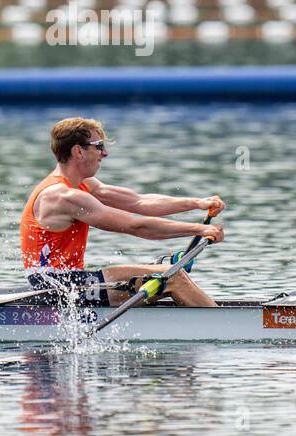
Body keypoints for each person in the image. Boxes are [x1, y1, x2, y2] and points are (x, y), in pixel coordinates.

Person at [20, 117, 224, 306]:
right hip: (55, 285)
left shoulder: (84, 185)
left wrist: (196, 203)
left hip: (68, 280)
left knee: (163, 273)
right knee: (173, 276)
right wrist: (199, 229)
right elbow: (136, 226)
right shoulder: (63, 196)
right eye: (99, 146)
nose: (104, 153)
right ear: (78, 151)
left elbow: (140, 202)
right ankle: (228, 327)